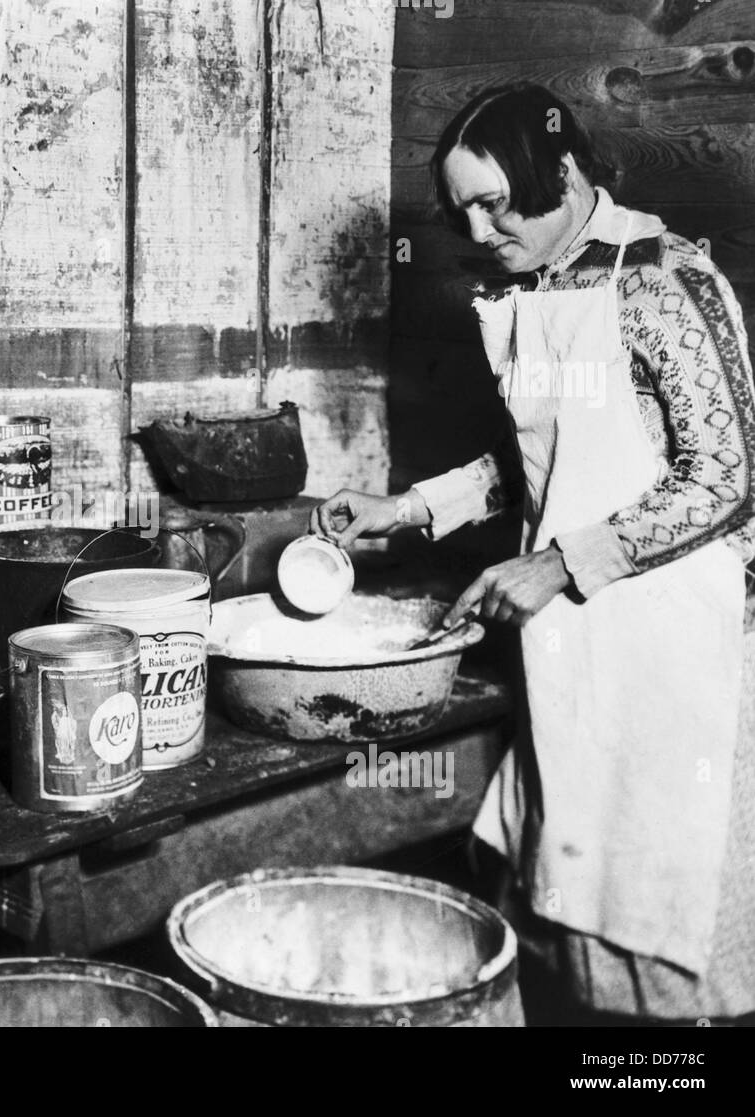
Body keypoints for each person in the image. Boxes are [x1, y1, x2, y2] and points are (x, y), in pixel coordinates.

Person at [316, 83, 755, 1023]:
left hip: (682, 660)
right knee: (573, 924)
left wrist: (556, 563)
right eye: (461, 209)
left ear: (560, 170)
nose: (478, 230)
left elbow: (727, 477)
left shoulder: (666, 279)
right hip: (575, 660)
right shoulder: (538, 287)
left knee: (675, 942)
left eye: (495, 202)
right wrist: (411, 508)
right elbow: (542, 466)